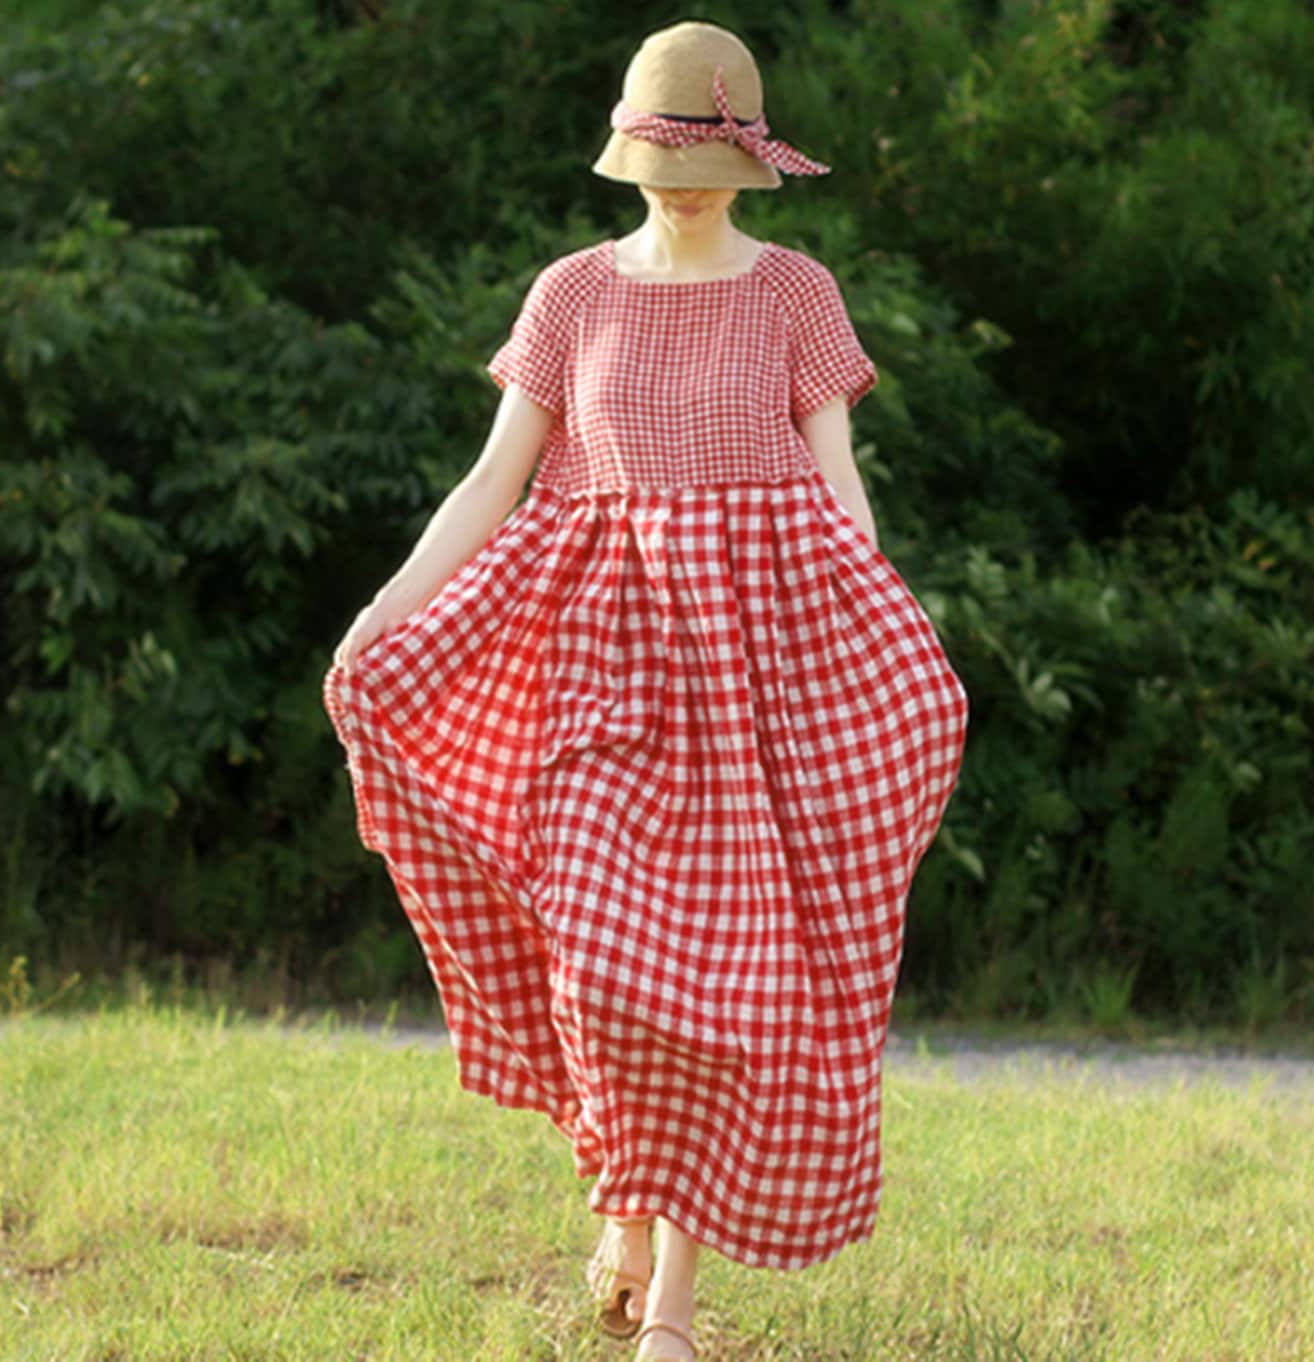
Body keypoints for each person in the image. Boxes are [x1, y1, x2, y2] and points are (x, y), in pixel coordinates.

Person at [326, 21, 968, 1361]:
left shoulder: (796, 293)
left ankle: (668, 1300)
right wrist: (386, 608)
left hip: (752, 690)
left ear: (749, 159)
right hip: (600, 676)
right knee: (604, 966)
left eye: (707, 163)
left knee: (715, 984)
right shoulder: (572, 295)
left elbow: (841, 485)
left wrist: (880, 621)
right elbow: (494, 481)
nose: (680, 188)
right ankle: (622, 1185)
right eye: (662, 163)